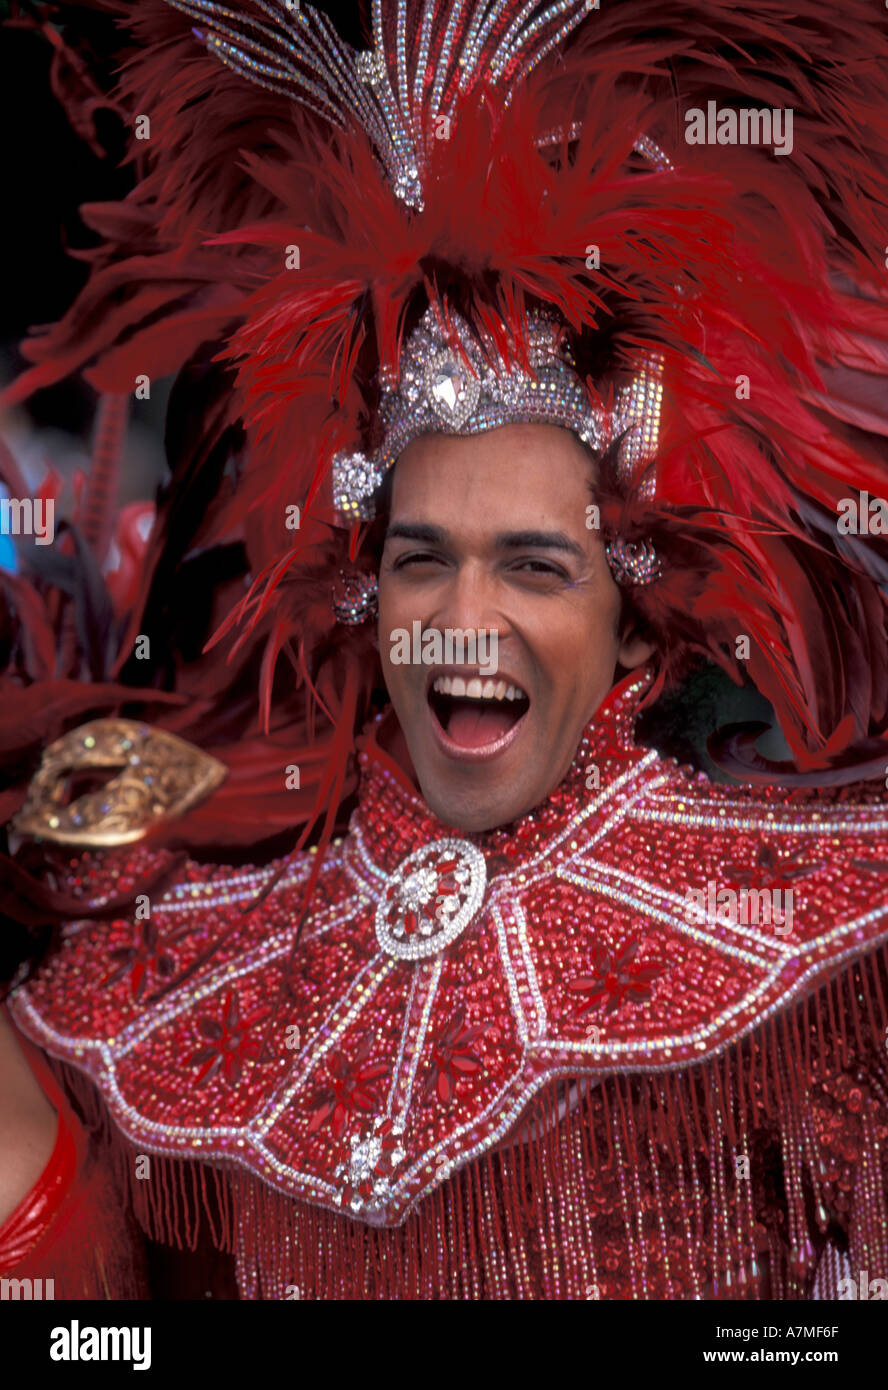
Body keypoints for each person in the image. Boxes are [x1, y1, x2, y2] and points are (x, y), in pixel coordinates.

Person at [2, 0, 888, 1301]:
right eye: (424, 557)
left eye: (532, 563)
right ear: (368, 591)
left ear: (632, 608)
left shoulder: (826, 937)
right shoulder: (171, 942)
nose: (465, 615)